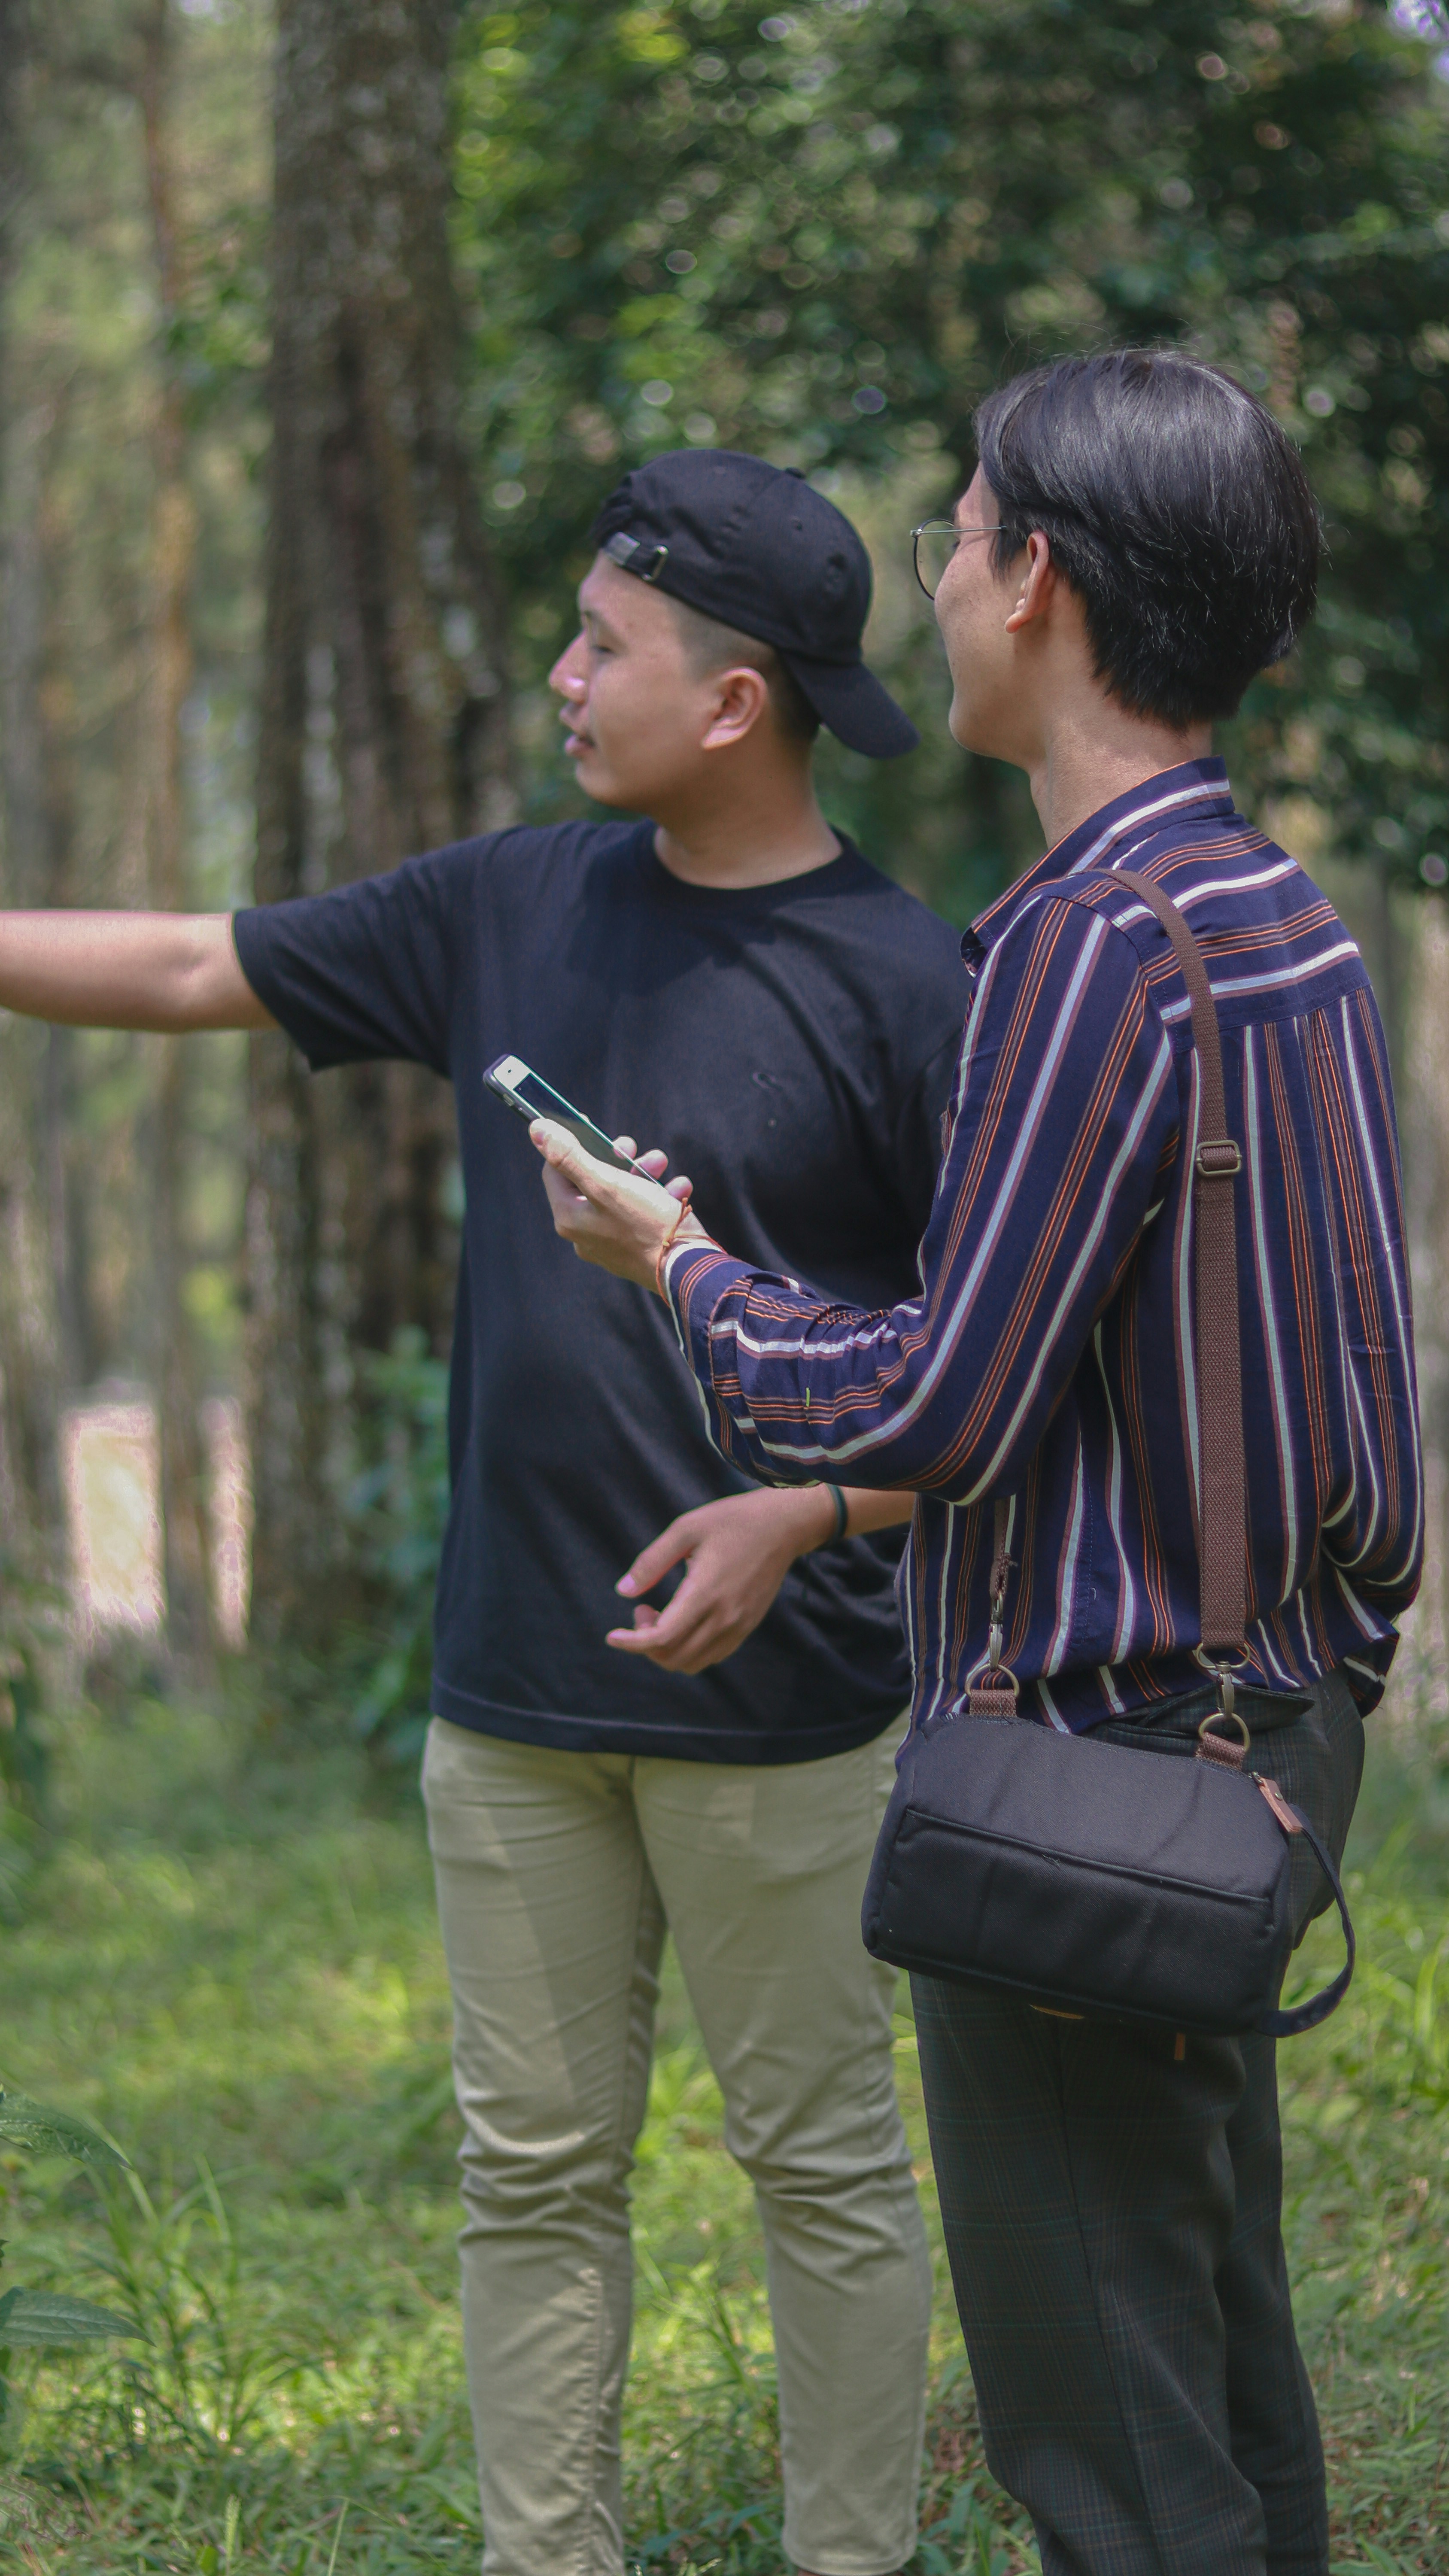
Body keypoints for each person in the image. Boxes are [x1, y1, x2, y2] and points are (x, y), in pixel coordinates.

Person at [0, 449, 973, 2576]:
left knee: (820, 2169)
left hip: (791, 1712)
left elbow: (985, 1391)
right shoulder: (510, 903)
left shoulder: (912, 987)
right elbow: (187, 967)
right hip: (512, 1702)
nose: (558, 675)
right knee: (531, 2173)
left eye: (599, 645)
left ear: (731, 704)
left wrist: (806, 1516)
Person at [529, 352, 1425, 2576]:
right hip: (1255, 1753)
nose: (933, 567)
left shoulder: (1084, 949)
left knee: (1104, 2432)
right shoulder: (1283, 922)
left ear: (1040, 584)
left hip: (1079, 1785)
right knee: (1215, 2353)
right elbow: (1331, 1412)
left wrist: (687, 1269)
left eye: (958, 526)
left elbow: (943, 1401)